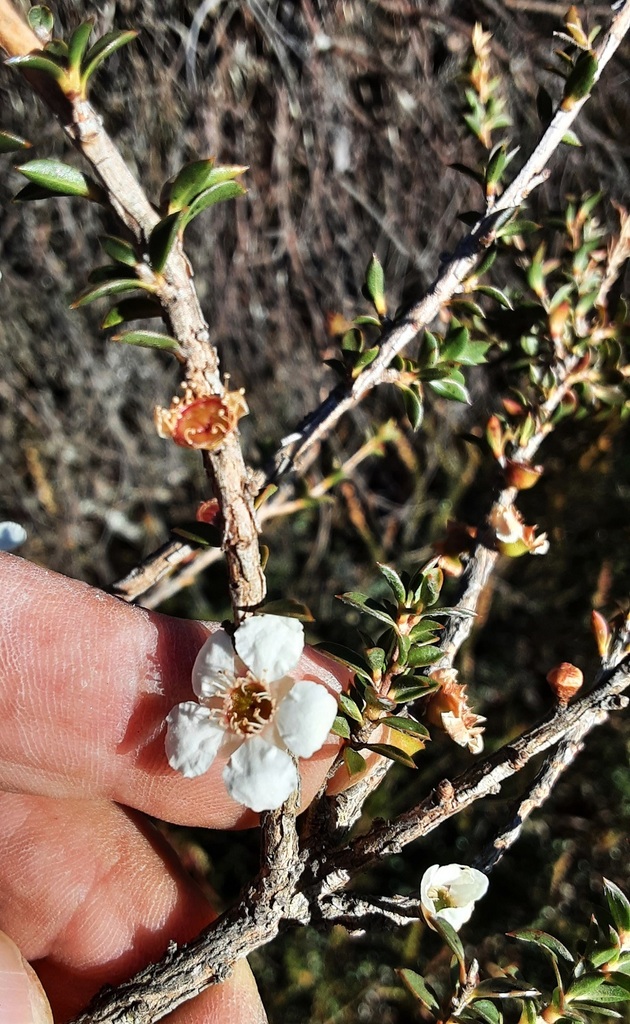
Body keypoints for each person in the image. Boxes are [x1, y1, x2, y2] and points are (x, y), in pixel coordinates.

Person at [0, 552, 347, 1023]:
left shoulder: (290, 715)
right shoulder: (223, 685)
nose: (249, 704)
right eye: (247, 700)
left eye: (255, 702)